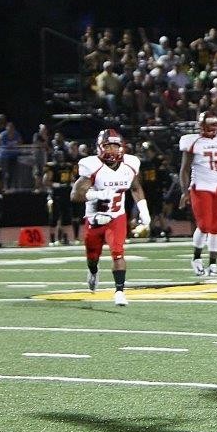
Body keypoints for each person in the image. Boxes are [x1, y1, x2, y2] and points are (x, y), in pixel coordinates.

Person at [70, 129, 150, 306]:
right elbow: (75, 195)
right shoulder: (92, 166)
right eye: (108, 146)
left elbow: (135, 187)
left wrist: (143, 210)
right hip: (95, 218)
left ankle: (119, 291)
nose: (112, 150)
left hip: (117, 217)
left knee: (118, 253)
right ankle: (93, 271)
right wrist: (95, 195)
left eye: (115, 146)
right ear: (100, 147)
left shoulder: (130, 164)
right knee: (92, 257)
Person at [179, 110, 217, 276]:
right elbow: (184, 170)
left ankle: (213, 265)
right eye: (208, 125)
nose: (212, 128)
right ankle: (196, 258)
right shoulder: (193, 141)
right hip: (200, 186)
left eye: (214, 124)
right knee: (204, 226)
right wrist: (184, 191)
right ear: (201, 125)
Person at [43, 149, 78, 245]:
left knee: (66, 217)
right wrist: (55, 184)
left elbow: (73, 179)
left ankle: (65, 238)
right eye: (58, 155)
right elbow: (45, 181)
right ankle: (52, 239)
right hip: (55, 194)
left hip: (66, 194)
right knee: (54, 217)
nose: (60, 157)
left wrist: (72, 183)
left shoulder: (68, 166)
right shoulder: (52, 167)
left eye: (61, 155)